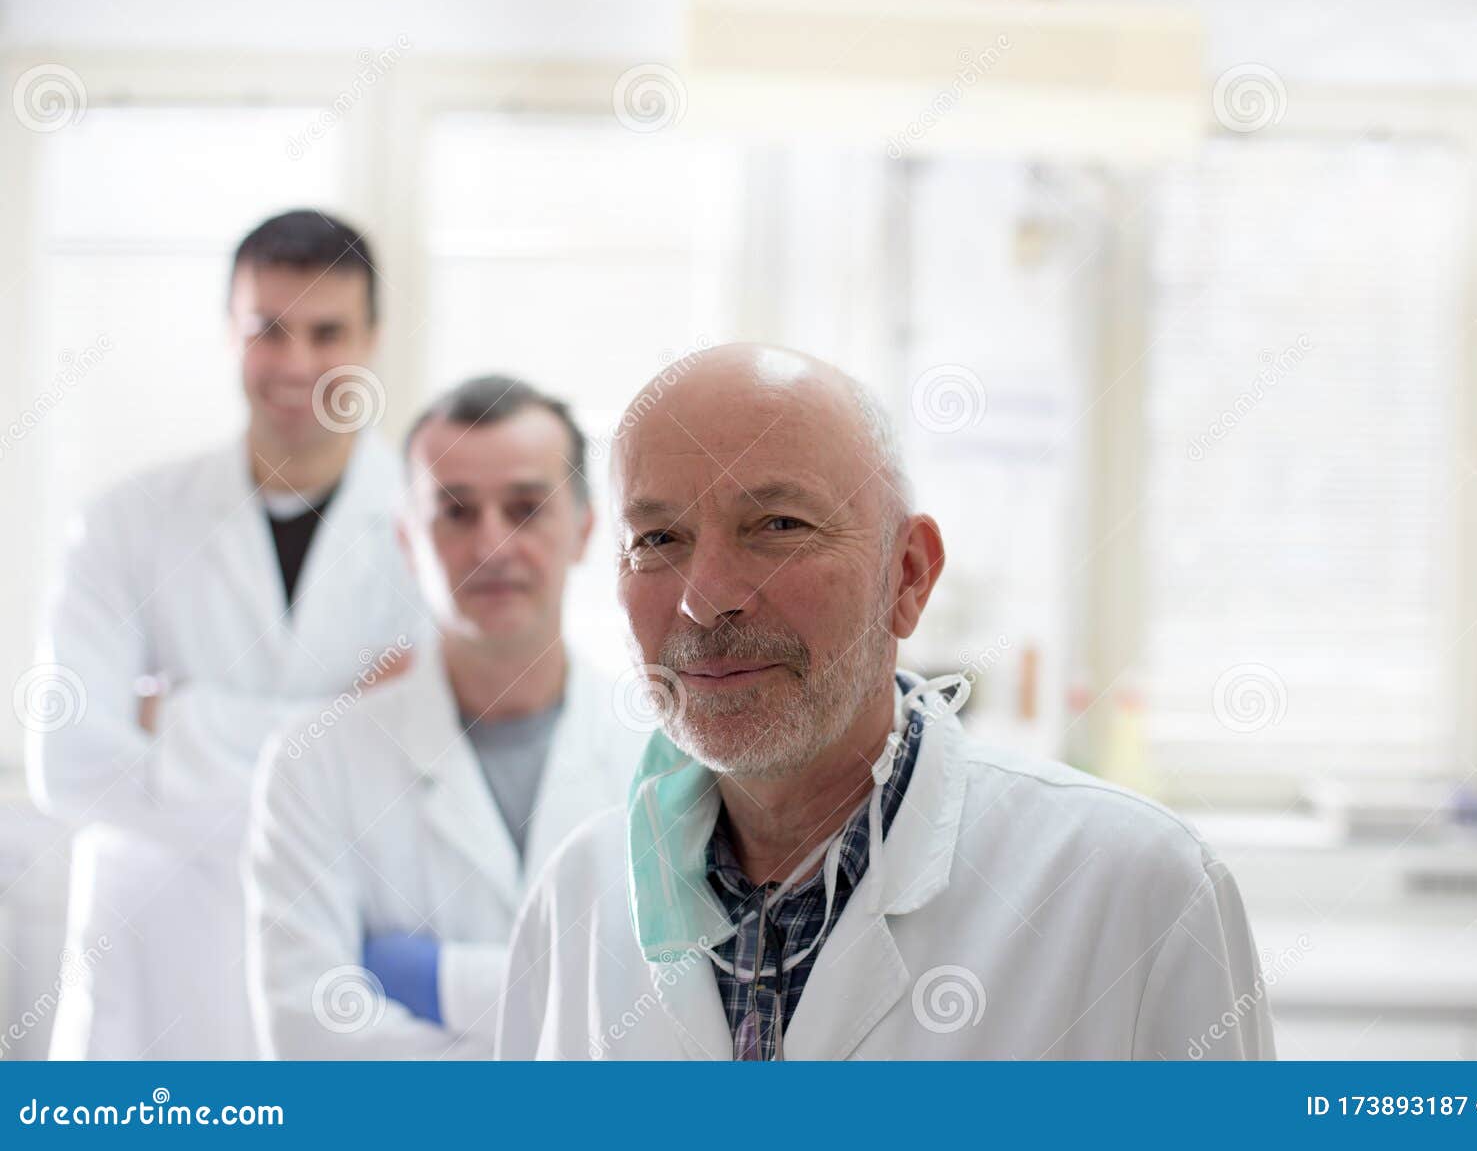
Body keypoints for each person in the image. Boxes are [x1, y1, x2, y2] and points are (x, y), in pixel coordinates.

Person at [497, 343, 1275, 1060]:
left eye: (777, 525)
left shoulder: (1134, 889)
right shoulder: (578, 899)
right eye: (660, 538)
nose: (707, 601)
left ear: (907, 576)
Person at [27, 209, 425, 1059]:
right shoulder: (124, 523)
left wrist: (179, 722)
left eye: (327, 331)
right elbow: (67, 765)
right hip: (147, 970)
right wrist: (341, 728)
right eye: (268, 330)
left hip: (344, 977)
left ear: (373, 339)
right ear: (229, 333)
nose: (297, 364)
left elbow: (422, 786)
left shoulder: (437, 531)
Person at [246, 376, 646, 1059]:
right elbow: (311, 1045)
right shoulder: (312, 763)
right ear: (407, 537)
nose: (492, 547)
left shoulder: (663, 753)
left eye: (525, 508)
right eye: (456, 512)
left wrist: (433, 981)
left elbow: (689, 1024)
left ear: (583, 529)